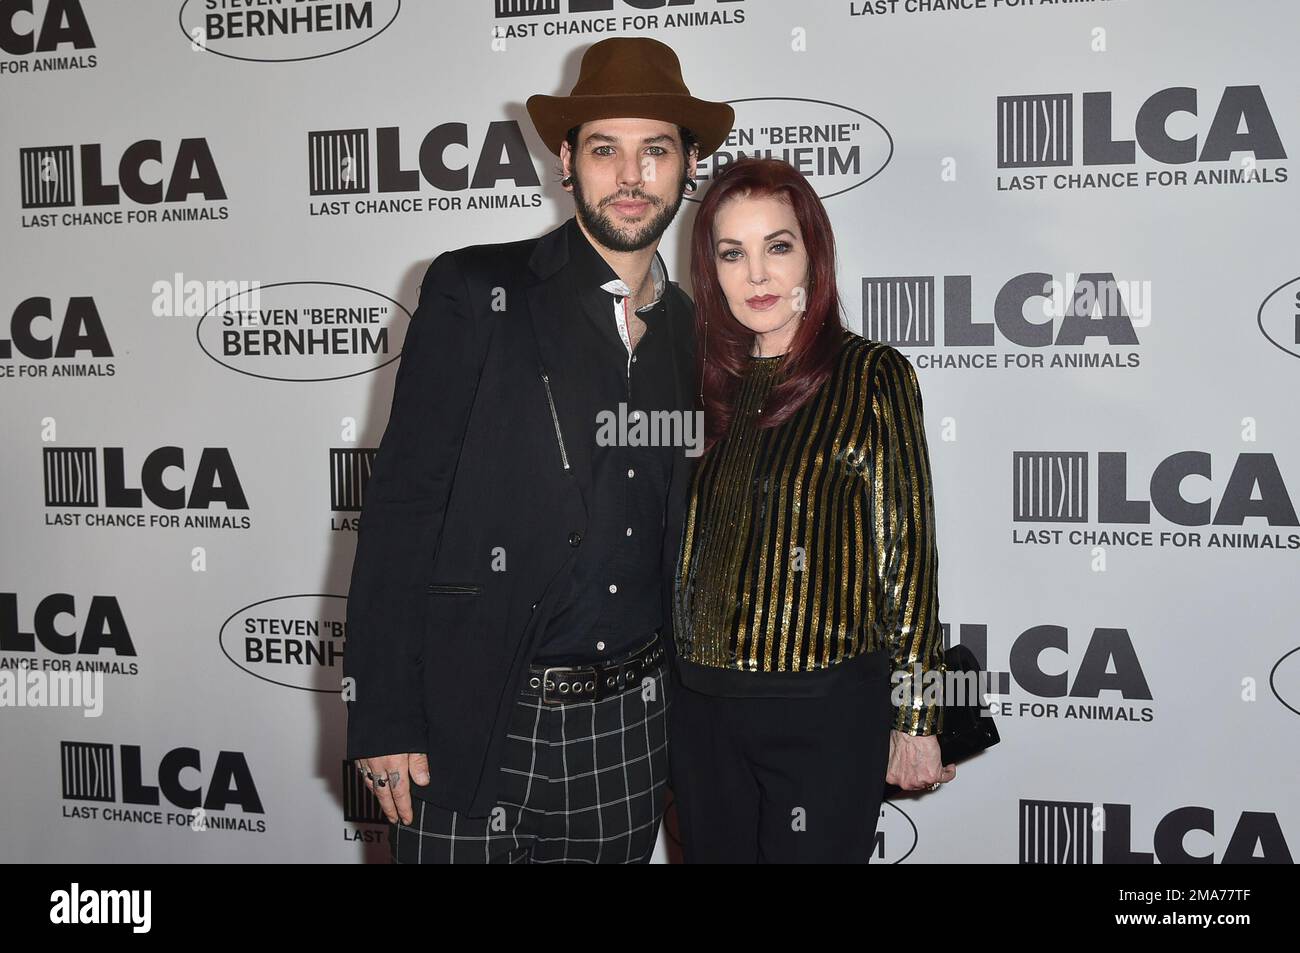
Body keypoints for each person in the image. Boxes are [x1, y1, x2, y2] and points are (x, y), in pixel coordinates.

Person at [341, 36, 733, 863]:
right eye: (605, 150)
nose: (631, 176)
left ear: (688, 165)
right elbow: (403, 507)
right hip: (473, 712)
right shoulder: (476, 291)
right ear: (566, 159)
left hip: (630, 724)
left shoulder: (698, 334)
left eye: (655, 150)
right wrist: (383, 716)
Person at [669, 157, 956, 863]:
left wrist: (917, 715)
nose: (757, 275)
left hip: (824, 713)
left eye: (779, 245)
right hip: (700, 710)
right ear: (710, 269)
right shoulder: (695, 385)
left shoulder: (871, 374)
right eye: (732, 253)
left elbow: (906, 552)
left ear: (813, 253)